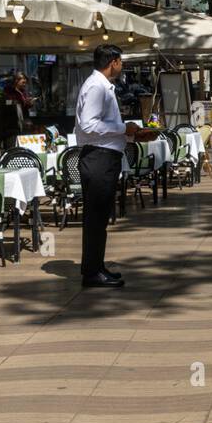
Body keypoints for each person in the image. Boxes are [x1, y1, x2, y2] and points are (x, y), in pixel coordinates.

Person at [74, 44, 141, 288]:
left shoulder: (102, 86)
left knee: (100, 217)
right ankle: (91, 272)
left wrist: (130, 133)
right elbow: (89, 125)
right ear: (113, 61)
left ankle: (96, 266)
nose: (121, 66)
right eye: (120, 61)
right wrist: (124, 129)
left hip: (105, 157)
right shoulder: (96, 87)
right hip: (98, 159)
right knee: (95, 217)